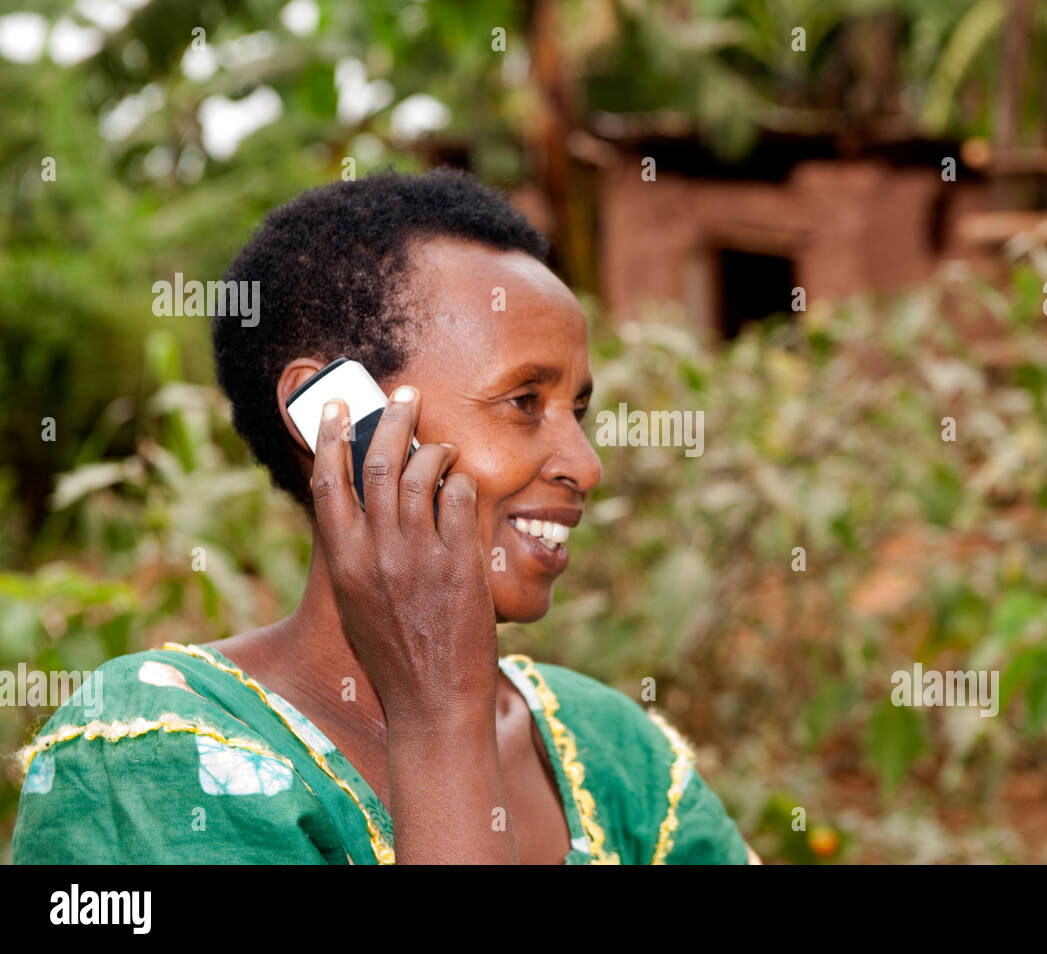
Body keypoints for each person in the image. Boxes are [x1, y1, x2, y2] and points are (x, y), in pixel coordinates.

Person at [12, 169, 759, 865]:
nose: (585, 464)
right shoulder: (151, 756)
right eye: (524, 403)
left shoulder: (618, 758)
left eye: (580, 411)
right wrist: (440, 720)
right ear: (339, 419)